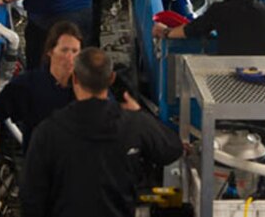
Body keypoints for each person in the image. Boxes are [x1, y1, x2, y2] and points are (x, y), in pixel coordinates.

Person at [21, 47, 183, 217]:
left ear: (74, 78)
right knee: (173, 198)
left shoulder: (47, 132)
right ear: (112, 78)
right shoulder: (133, 123)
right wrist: (139, 112)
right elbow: (172, 149)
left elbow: (31, 196)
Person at [0, 21, 81, 150]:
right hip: (41, 165)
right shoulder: (27, 86)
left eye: (75, 51)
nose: (70, 57)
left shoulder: (87, 86)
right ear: (50, 51)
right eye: (64, 50)